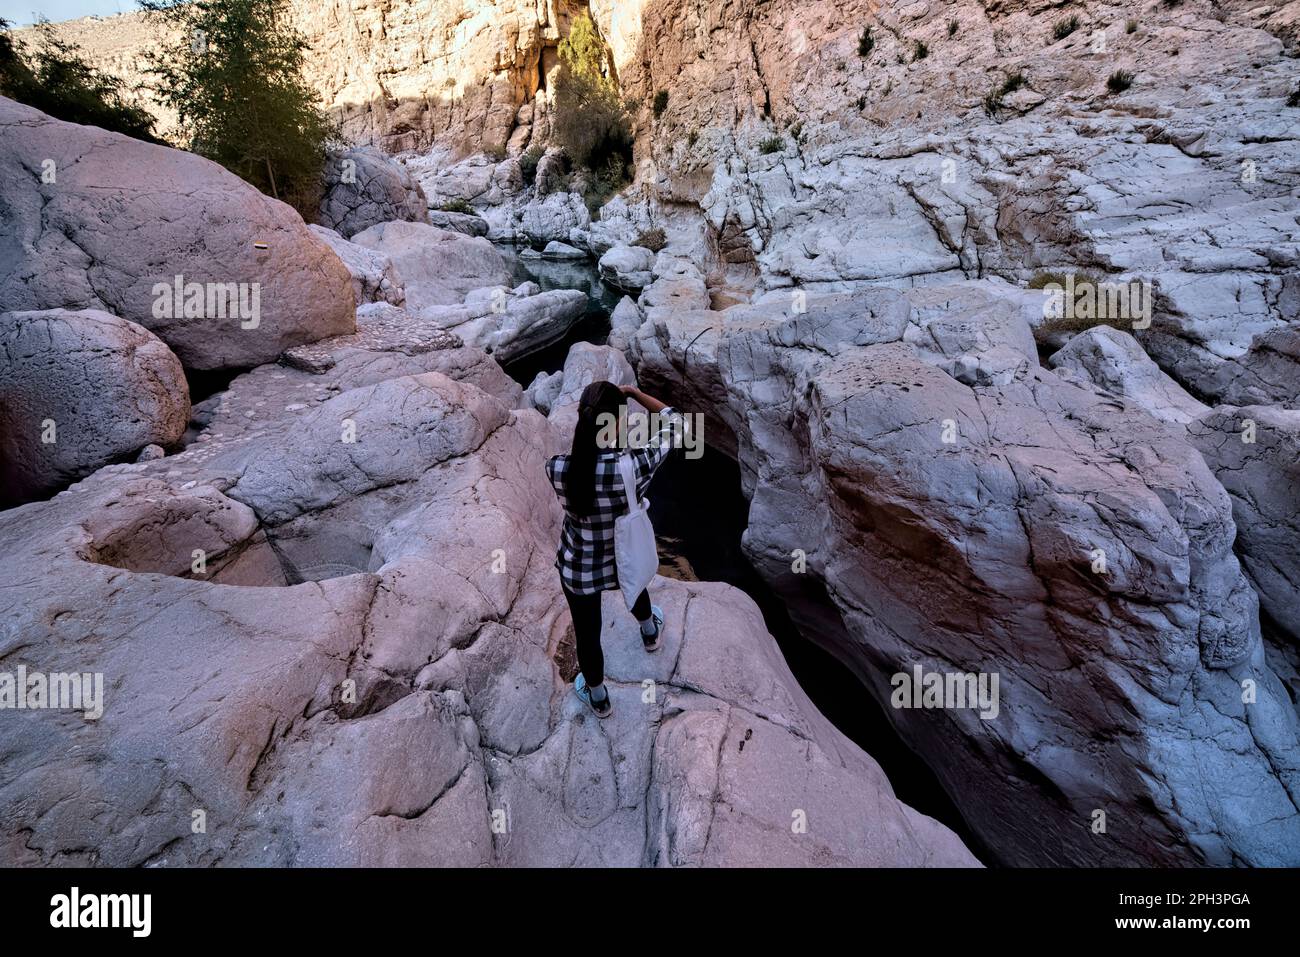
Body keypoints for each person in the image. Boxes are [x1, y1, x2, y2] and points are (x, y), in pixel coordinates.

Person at [545, 380, 684, 718]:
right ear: (618, 423)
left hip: (579, 566)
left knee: (587, 633)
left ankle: (599, 698)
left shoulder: (558, 468)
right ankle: (650, 633)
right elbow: (677, 422)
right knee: (634, 586)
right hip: (623, 560)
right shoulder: (634, 467)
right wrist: (635, 394)